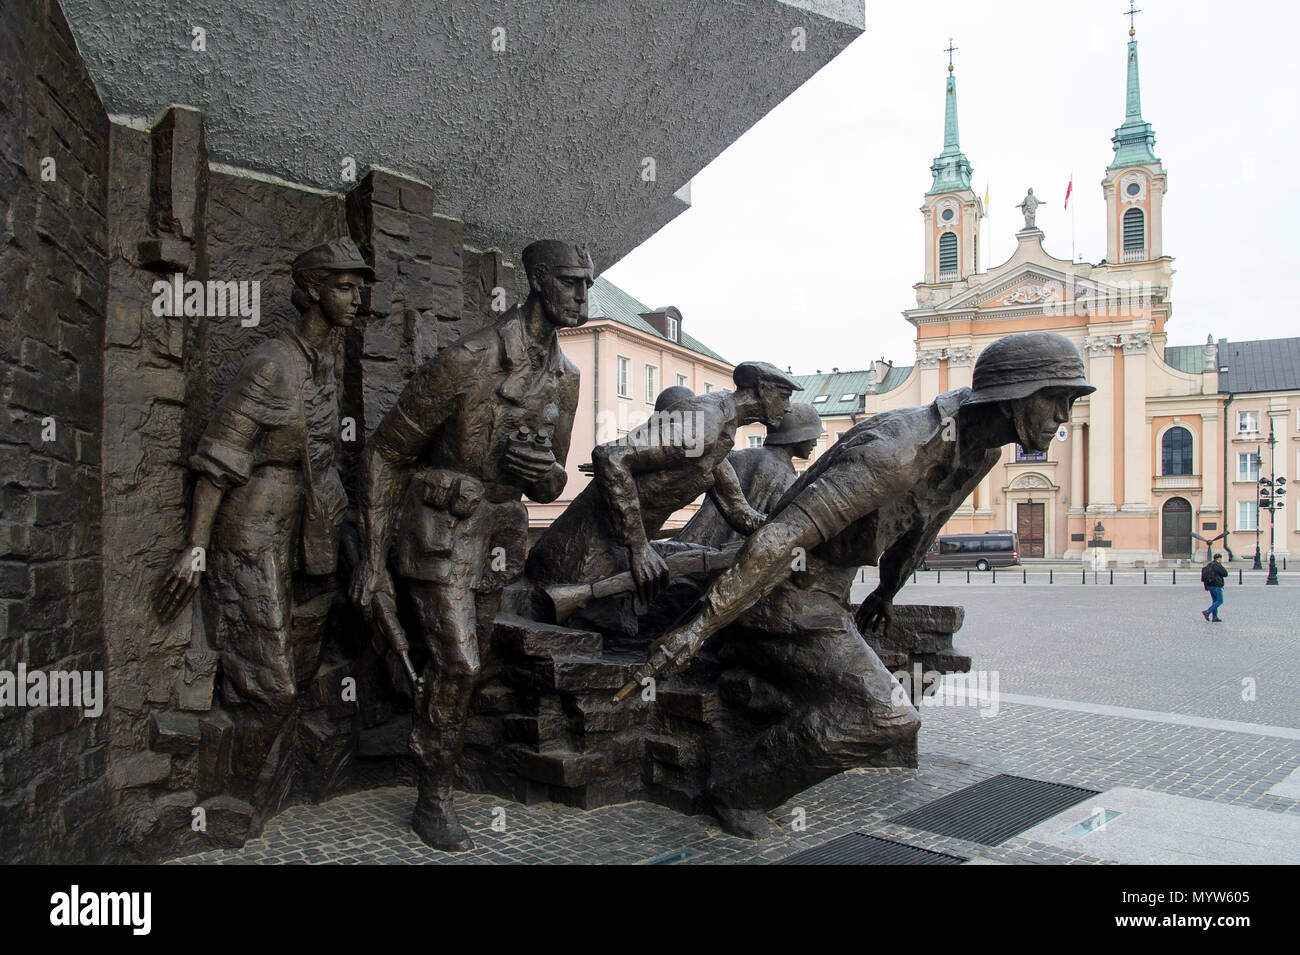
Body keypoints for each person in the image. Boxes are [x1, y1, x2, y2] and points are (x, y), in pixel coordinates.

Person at [614, 331, 1096, 701]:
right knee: (885, 716)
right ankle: (732, 789)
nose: (1064, 417)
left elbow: (923, 526)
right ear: (1017, 396)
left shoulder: (979, 451)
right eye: (1058, 400)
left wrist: (886, 593)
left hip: (824, 593)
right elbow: (781, 538)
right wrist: (695, 631)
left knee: (895, 689)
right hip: (785, 591)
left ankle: (765, 691)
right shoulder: (899, 449)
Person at [350, 239, 587, 851]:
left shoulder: (567, 376)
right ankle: (432, 797)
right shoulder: (469, 358)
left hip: (497, 540)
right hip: (440, 532)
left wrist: (544, 476)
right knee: (460, 663)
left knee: (467, 669)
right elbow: (386, 452)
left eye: (587, 284)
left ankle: (440, 757)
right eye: (570, 282)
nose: (582, 296)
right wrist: (373, 563)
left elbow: (557, 476)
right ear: (536, 281)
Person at [156, 237, 370, 795]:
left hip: (309, 533)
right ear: (309, 292)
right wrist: (195, 549)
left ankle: (267, 785)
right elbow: (217, 462)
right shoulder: (271, 366)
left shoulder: (323, 364)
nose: (356, 298)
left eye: (358, 287)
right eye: (344, 287)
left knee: (294, 673)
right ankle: (232, 797)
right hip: (252, 533)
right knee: (272, 687)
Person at [523, 361, 800, 636]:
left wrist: (794, 530)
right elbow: (610, 457)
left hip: (618, 560)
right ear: (762, 389)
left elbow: (739, 512)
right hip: (580, 557)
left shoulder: (719, 438)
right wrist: (639, 548)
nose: (787, 407)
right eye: (784, 397)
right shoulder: (703, 425)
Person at [1201, 552, 1227, 622]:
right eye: (1221, 559)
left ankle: (1215, 617)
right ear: (1219, 559)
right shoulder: (1218, 565)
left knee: (1215, 601)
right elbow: (1225, 574)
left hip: (1210, 585)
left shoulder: (1209, 565)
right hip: (1217, 585)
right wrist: (1221, 565)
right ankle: (1207, 611)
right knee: (1220, 601)